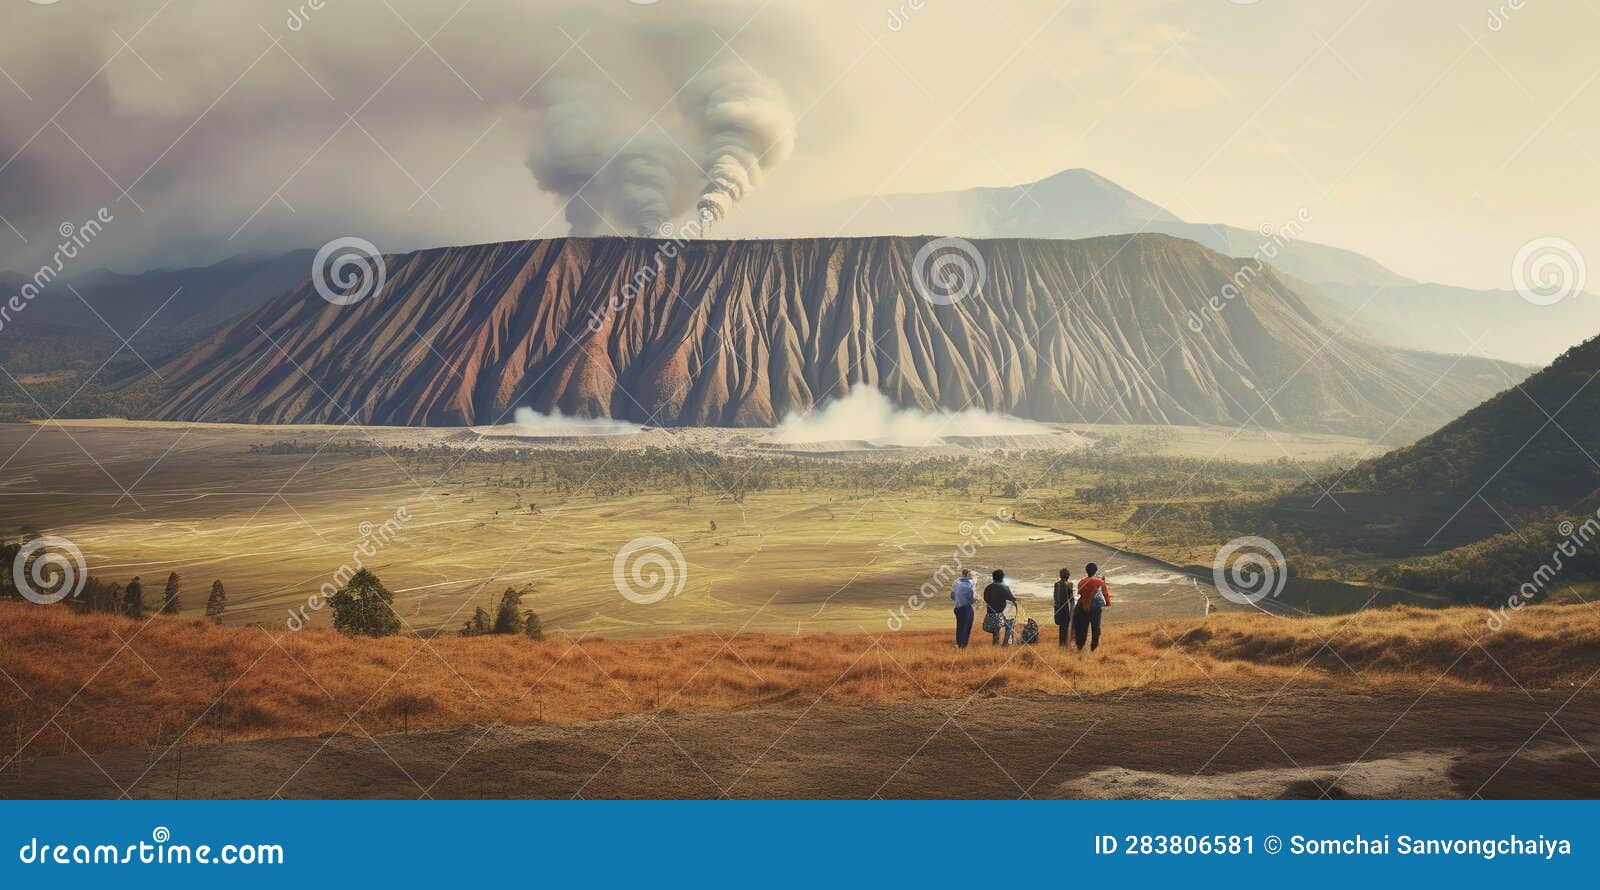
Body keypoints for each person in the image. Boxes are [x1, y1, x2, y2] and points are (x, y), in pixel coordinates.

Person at [1073, 563, 1111, 652]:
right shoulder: (1100, 582)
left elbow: (1080, 594)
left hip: (1083, 607)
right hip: (1095, 609)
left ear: (1086, 571)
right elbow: (1105, 595)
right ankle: (1093, 648)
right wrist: (1107, 603)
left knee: (1082, 628)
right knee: (1095, 628)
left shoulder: (1081, 582)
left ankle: (1080, 647)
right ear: (1096, 571)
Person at [983, 569, 1018, 646]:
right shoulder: (1004, 588)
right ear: (1002, 578)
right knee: (1010, 623)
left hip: (989, 616)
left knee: (996, 628)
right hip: (999, 616)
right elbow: (1012, 599)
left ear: (993, 578)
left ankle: (995, 643)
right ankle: (1006, 644)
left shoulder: (988, 588)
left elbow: (986, 599)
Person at [950, 568, 977, 649]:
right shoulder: (970, 584)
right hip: (966, 608)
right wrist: (975, 600)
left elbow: (952, 596)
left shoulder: (956, 581)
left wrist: (959, 599)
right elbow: (971, 599)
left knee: (960, 626)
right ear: (968, 575)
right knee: (967, 627)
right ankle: (963, 646)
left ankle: (959, 644)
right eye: (971, 575)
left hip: (957, 607)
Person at [1051, 568, 1075, 647]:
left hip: (1058, 608)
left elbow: (1055, 597)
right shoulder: (1069, 584)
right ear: (1068, 576)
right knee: (1066, 626)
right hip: (1066, 608)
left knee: (1062, 627)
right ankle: (1065, 644)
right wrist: (1073, 608)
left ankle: (1061, 644)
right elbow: (1071, 599)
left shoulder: (1056, 584)